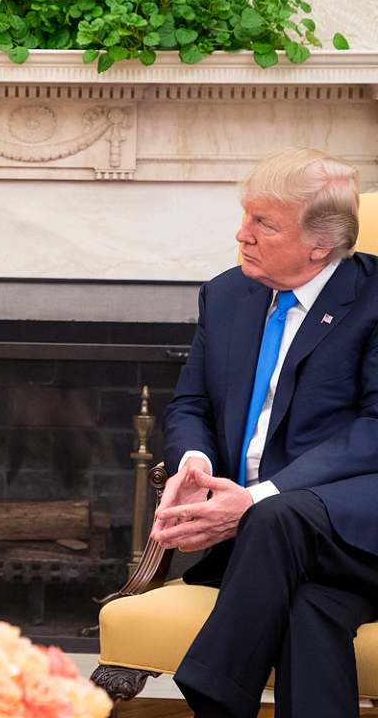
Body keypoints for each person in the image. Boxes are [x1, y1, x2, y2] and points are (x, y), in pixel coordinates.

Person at [151, 147, 378, 718]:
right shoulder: (227, 294)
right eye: (246, 215)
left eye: (263, 223)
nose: (242, 233)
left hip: (355, 528)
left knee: (278, 515)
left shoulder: (374, 300)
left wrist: (254, 500)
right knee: (310, 609)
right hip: (275, 555)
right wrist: (196, 464)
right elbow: (190, 405)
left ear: (319, 245)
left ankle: (213, 697)